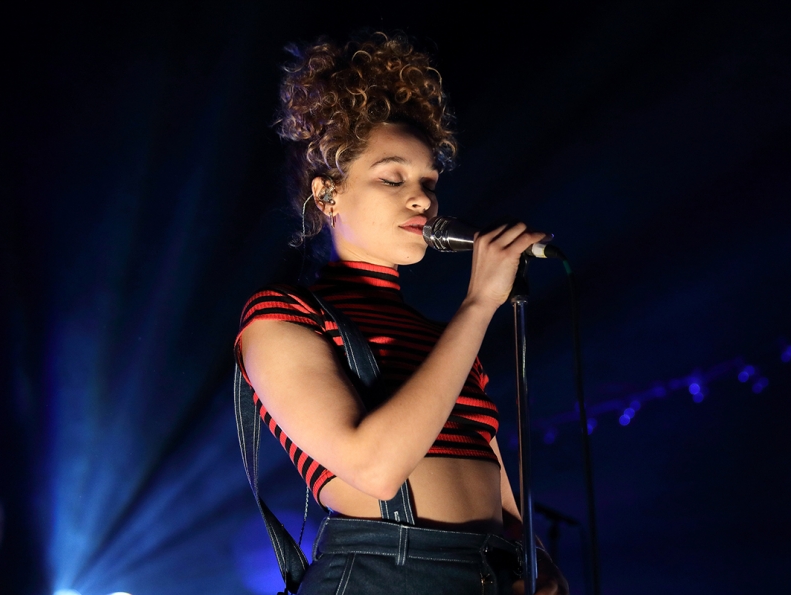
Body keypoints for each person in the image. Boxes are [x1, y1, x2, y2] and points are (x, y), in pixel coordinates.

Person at [235, 32, 568, 595]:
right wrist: (480, 303)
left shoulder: (442, 339)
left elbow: (485, 463)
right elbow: (373, 466)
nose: (423, 200)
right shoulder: (281, 314)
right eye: (393, 178)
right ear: (328, 195)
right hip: (383, 572)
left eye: (428, 183)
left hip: (491, 572)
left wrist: (534, 557)